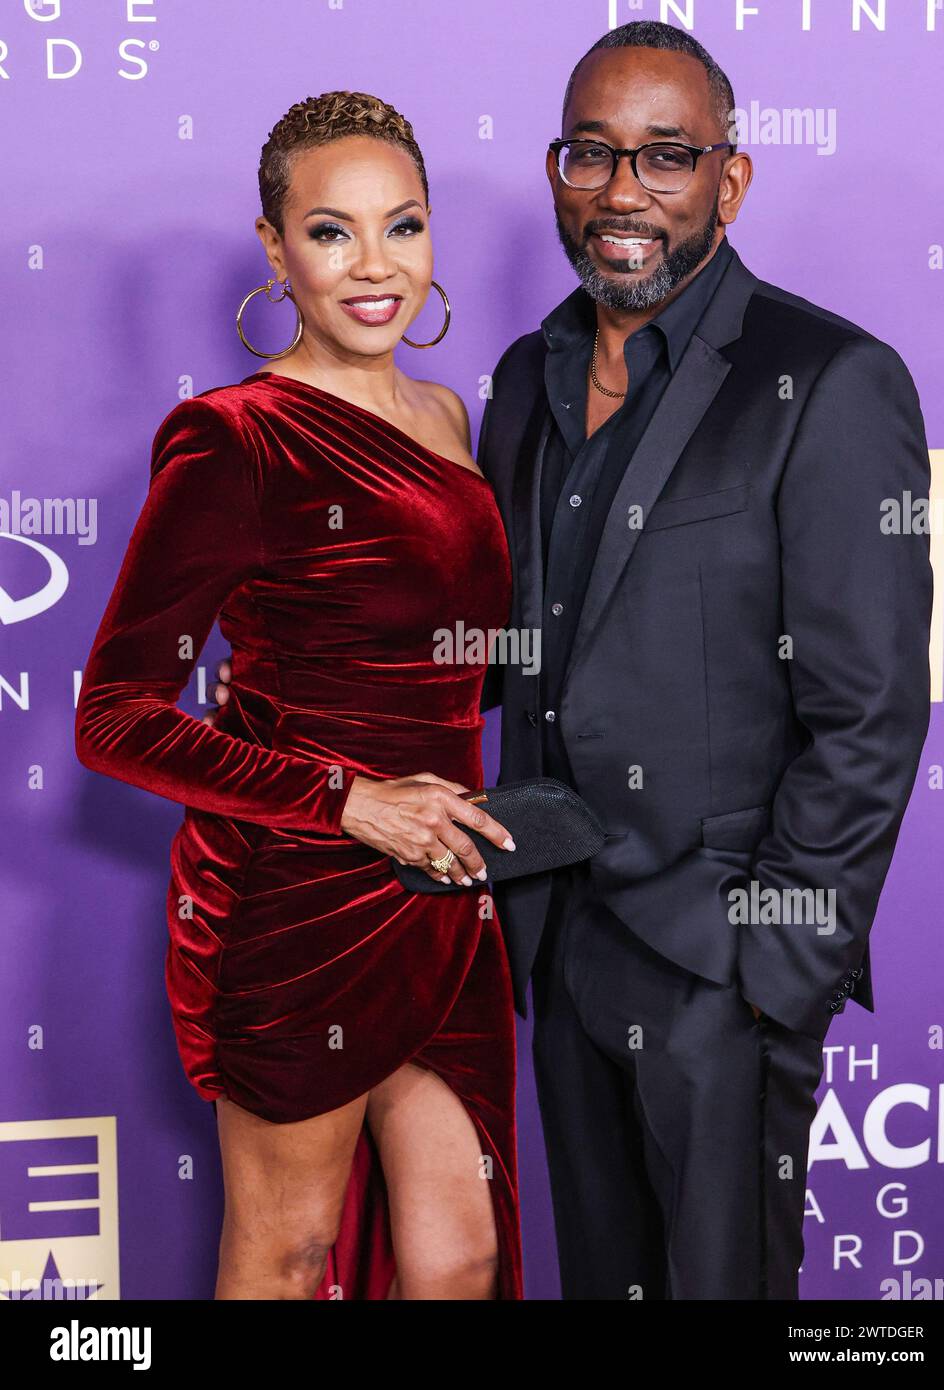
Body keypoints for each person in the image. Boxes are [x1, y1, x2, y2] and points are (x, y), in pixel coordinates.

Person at [475, 20, 932, 1299]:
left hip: (719, 965)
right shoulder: (523, 377)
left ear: (727, 181)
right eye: (592, 155)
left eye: (665, 158)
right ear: (556, 171)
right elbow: (515, 643)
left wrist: (770, 967)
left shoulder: (828, 378)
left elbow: (870, 710)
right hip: (556, 939)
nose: (623, 192)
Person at [75, 91, 523, 1301]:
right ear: (275, 248)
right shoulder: (236, 439)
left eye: (403, 226)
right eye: (331, 232)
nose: (374, 267)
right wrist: (347, 800)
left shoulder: (447, 418)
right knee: (286, 1254)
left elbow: (446, 662)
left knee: (459, 1256)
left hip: (448, 889)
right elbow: (113, 715)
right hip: (301, 900)